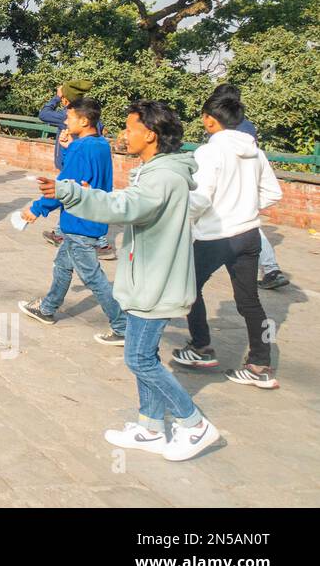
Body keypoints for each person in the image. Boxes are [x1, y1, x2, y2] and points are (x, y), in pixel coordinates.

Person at [40, 100, 219, 461]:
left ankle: (194, 424)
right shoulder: (157, 172)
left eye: (130, 127)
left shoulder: (163, 176)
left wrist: (69, 192)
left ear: (150, 134)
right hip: (147, 279)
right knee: (145, 355)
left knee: (138, 358)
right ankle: (151, 427)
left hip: (157, 283)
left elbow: (123, 207)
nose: (124, 133)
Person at [172, 89, 283, 389]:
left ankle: (200, 347)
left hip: (215, 235)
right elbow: (274, 193)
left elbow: (200, 198)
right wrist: (244, 207)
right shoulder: (256, 152)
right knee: (249, 301)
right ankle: (261, 364)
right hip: (248, 235)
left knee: (188, 287)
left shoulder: (209, 152)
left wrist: (182, 218)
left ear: (210, 121)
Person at [17, 96, 127, 345]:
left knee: (93, 277)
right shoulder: (99, 144)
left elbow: (63, 186)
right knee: (63, 265)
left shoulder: (82, 148)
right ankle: (47, 308)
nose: (65, 122)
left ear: (84, 120)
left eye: (69, 118)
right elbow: (79, 175)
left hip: (79, 221)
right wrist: (69, 148)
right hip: (93, 216)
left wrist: (37, 209)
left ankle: (121, 325)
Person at [212, 83, 288, 290]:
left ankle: (271, 269)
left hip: (234, 183)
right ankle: (270, 269)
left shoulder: (228, 127)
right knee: (248, 224)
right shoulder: (247, 125)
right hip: (244, 181)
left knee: (247, 226)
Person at [40, 78, 116, 261]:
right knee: (90, 196)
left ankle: (91, 240)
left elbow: (43, 114)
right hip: (83, 165)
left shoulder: (70, 117)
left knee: (68, 194)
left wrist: (56, 98)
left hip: (73, 164)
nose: (67, 121)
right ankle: (95, 239)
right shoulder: (92, 120)